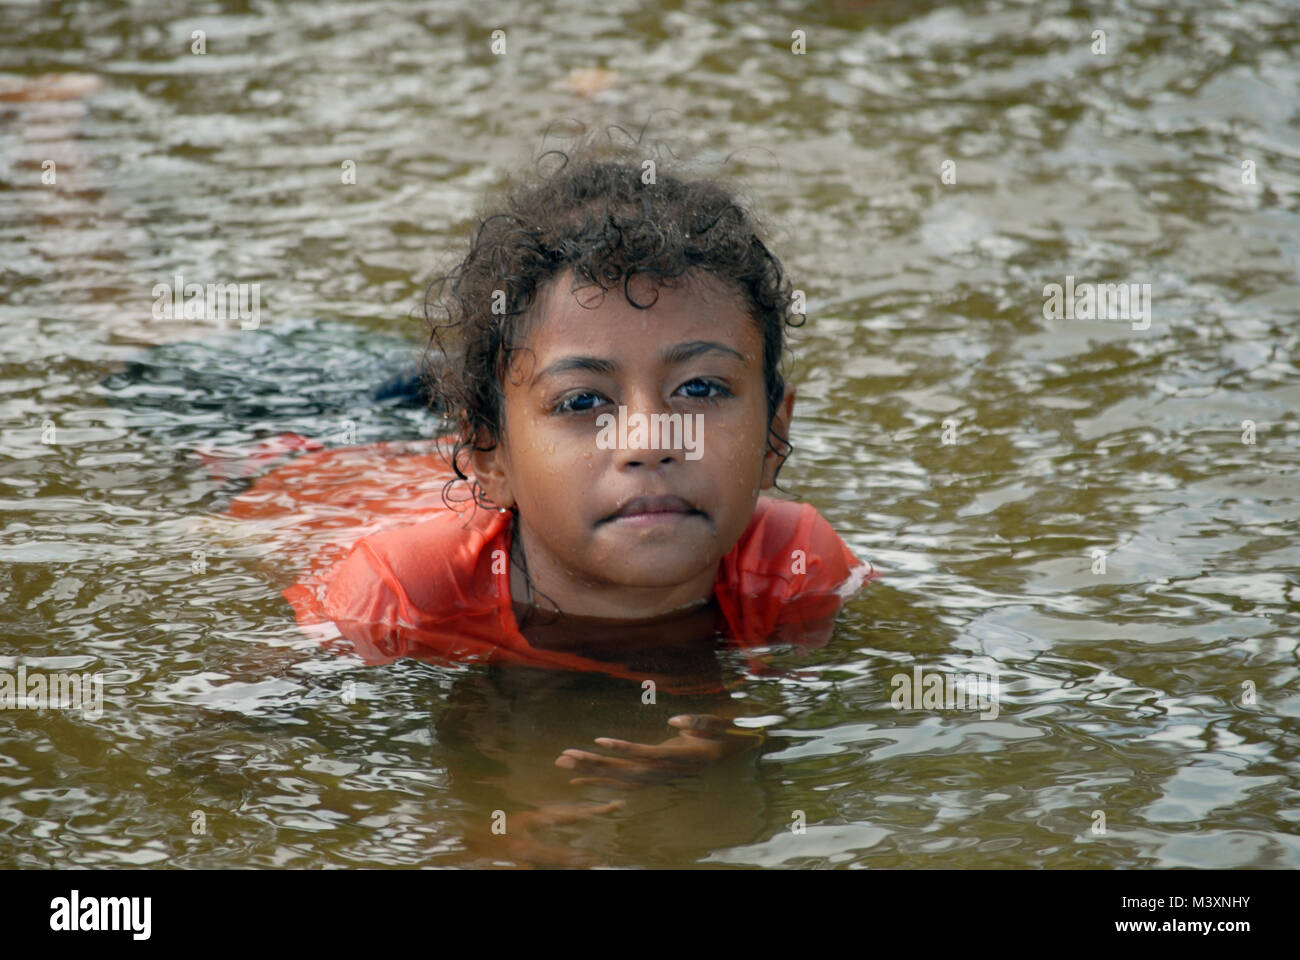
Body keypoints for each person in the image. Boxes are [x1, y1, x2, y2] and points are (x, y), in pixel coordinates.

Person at [222, 132, 877, 833]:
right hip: (292, 449)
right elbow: (223, 742)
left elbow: (812, 708)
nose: (650, 440)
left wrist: (742, 736)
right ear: (488, 457)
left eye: (701, 387)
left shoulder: (796, 567)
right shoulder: (403, 593)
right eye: (585, 404)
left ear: (776, 433)